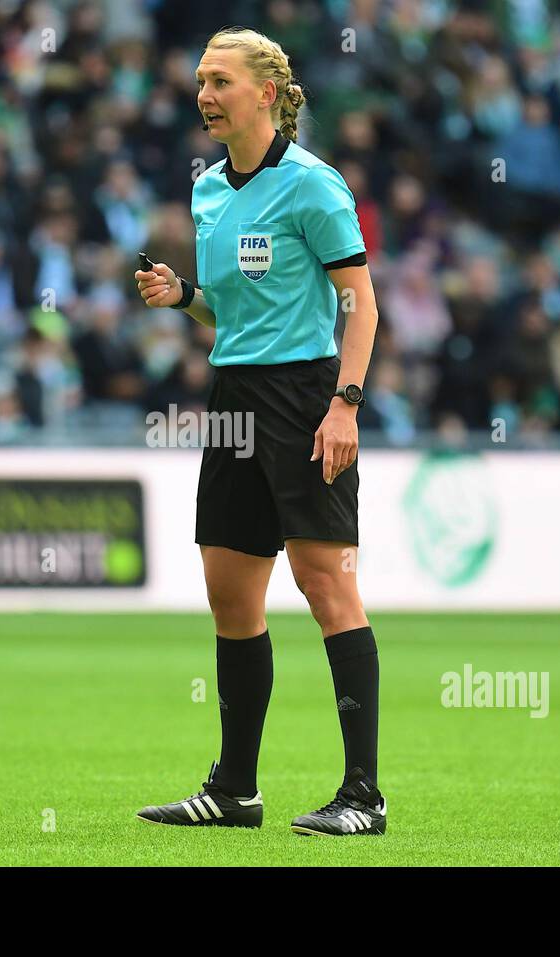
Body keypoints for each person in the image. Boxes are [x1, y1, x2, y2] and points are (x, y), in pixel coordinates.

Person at [133, 28, 384, 837]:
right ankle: (235, 789)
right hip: (234, 393)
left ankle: (363, 796)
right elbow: (227, 309)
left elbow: (360, 302)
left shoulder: (314, 186)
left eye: (221, 81)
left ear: (267, 92)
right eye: (201, 80)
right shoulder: (207, 190)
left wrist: (345, 402)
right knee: (229, 592)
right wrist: (184, 297)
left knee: (324, 583)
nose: (205, 94)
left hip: (306, 394)